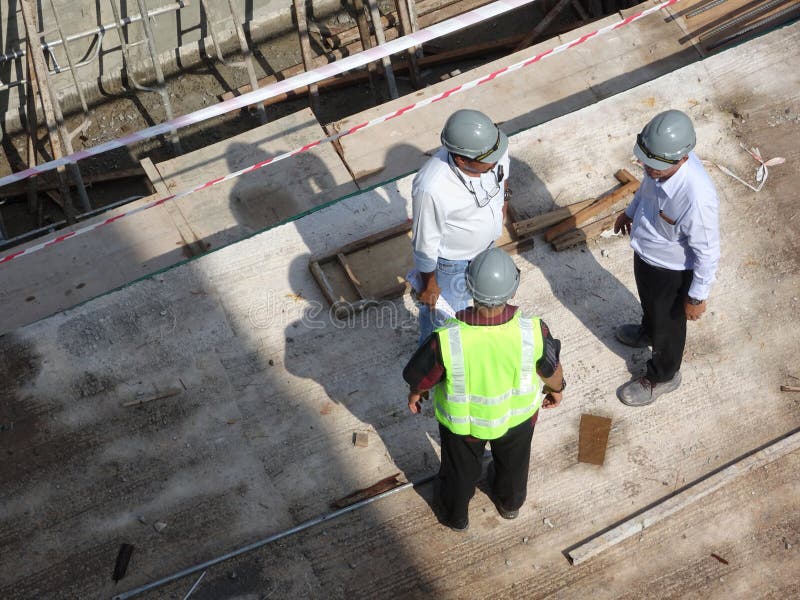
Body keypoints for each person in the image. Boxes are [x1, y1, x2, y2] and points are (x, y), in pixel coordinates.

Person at [403, 248, 565, 531]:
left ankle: (456, 515)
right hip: (518, 421)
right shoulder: (532, 330)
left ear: (468, 286)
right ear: (512, 290)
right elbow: (551, 369)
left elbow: (421, 376)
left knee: (459, 473)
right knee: (514, 466)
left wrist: (416, 394)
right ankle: (510, 503)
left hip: (464, 428)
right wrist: (557, 389)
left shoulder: (448, 338)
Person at [613, 109, 720, 407]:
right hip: (646, 254)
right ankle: (648, 331)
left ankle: (664, 375)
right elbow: (647, 191)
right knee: (650, 304)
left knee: (669, 324)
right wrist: (630, 212)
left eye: (654, 165)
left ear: (682, 158)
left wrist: (696, 297)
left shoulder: (697, 198)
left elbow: (708, 252)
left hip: (672, 272)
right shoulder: (658, 168)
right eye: (645, 162)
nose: (647, 169)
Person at [411, 109, 512, 344]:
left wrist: (505, 200)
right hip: (452, 266)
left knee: (481, 314)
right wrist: (429, 286)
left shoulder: (492, 146)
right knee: (443, 324)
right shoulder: (432, 187)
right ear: (461, 160)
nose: (497, 158)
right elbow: (425, 243)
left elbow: (503, 172)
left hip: (487, 252)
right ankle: (430, 357)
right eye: (488, 162)